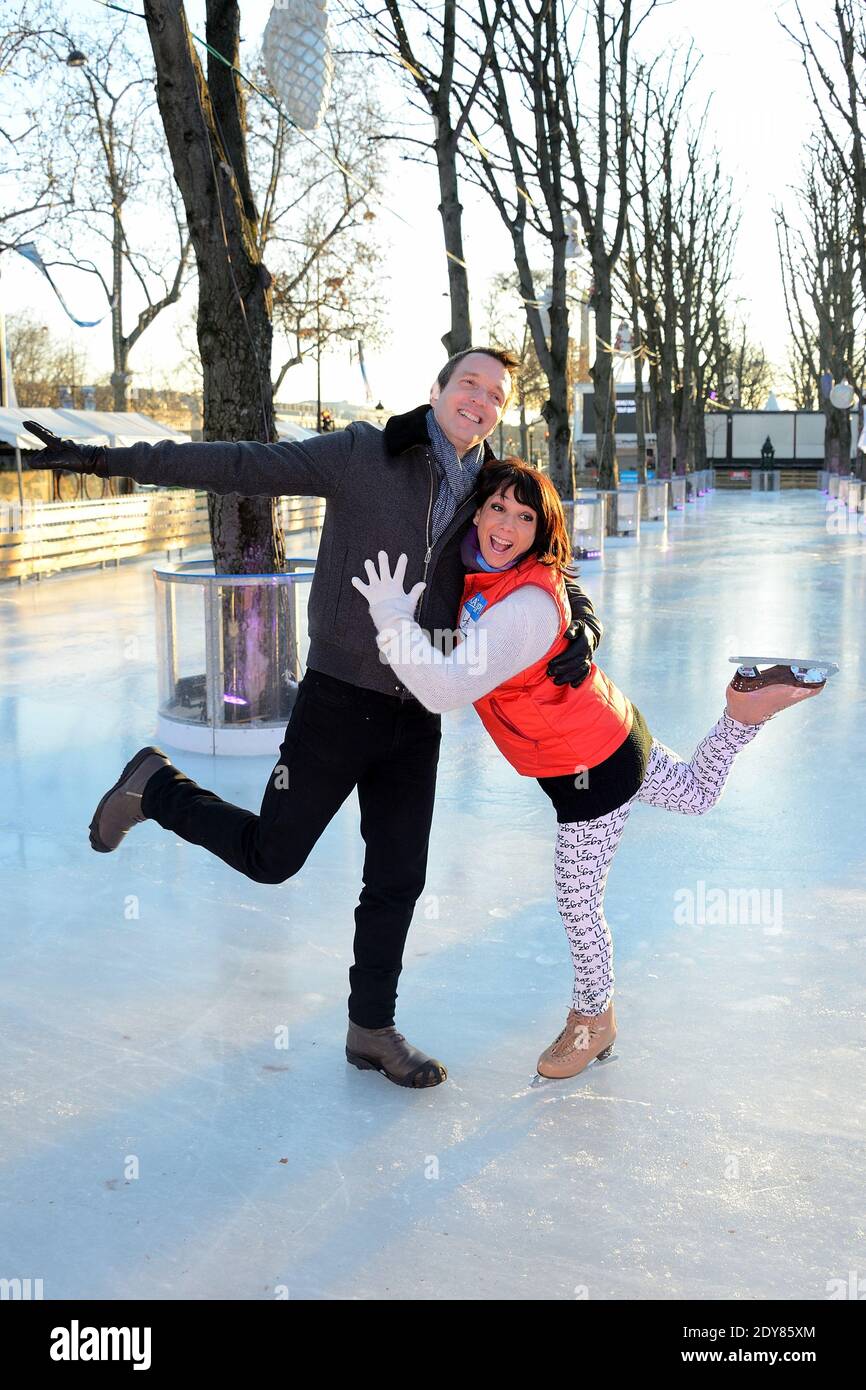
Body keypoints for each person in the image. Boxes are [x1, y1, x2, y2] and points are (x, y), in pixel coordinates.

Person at [22, 349, 600, 1090]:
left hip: (419, 707)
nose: (479, 401)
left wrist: (576, 620)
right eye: (469, 384)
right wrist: (110, 458)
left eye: (494, 395)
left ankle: (372, 1028)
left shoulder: (491, 490)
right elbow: (243, 464)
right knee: (273, 857)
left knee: (399, 877)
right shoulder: (367, 453)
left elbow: (539, 551)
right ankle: (154, 788)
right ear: (438, 388)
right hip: (339, 697)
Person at [351, 457, 826, 1079]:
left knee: (579, 901)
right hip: (611, 726)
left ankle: (593, 1019)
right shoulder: (491, 573)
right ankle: (742, 709)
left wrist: (389, 614)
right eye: (498, 507)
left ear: (540, 532)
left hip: (589, 767)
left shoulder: (522, 601)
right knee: (694, 793)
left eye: (526, 517)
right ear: (477, 510)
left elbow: (444, 688)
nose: (507, 524)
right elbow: (555, 590)